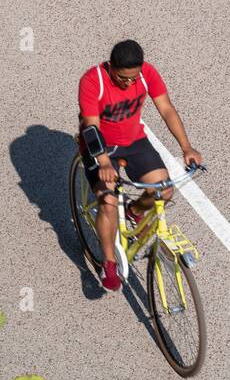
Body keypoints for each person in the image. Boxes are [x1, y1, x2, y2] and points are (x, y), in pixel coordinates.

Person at [77, 39, 202, 293]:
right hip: (100, 146)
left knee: (164, 190)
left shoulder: (147, 74)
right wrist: (103, 162)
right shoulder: (93, 81)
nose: (130, 83)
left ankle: (134, 210)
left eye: (134, 78)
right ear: (111, 67)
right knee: (108, 200)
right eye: (124, 78)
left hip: (134, 141)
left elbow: (166, 109)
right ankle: (109, 263)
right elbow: (91, 127)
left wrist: (186, 148)